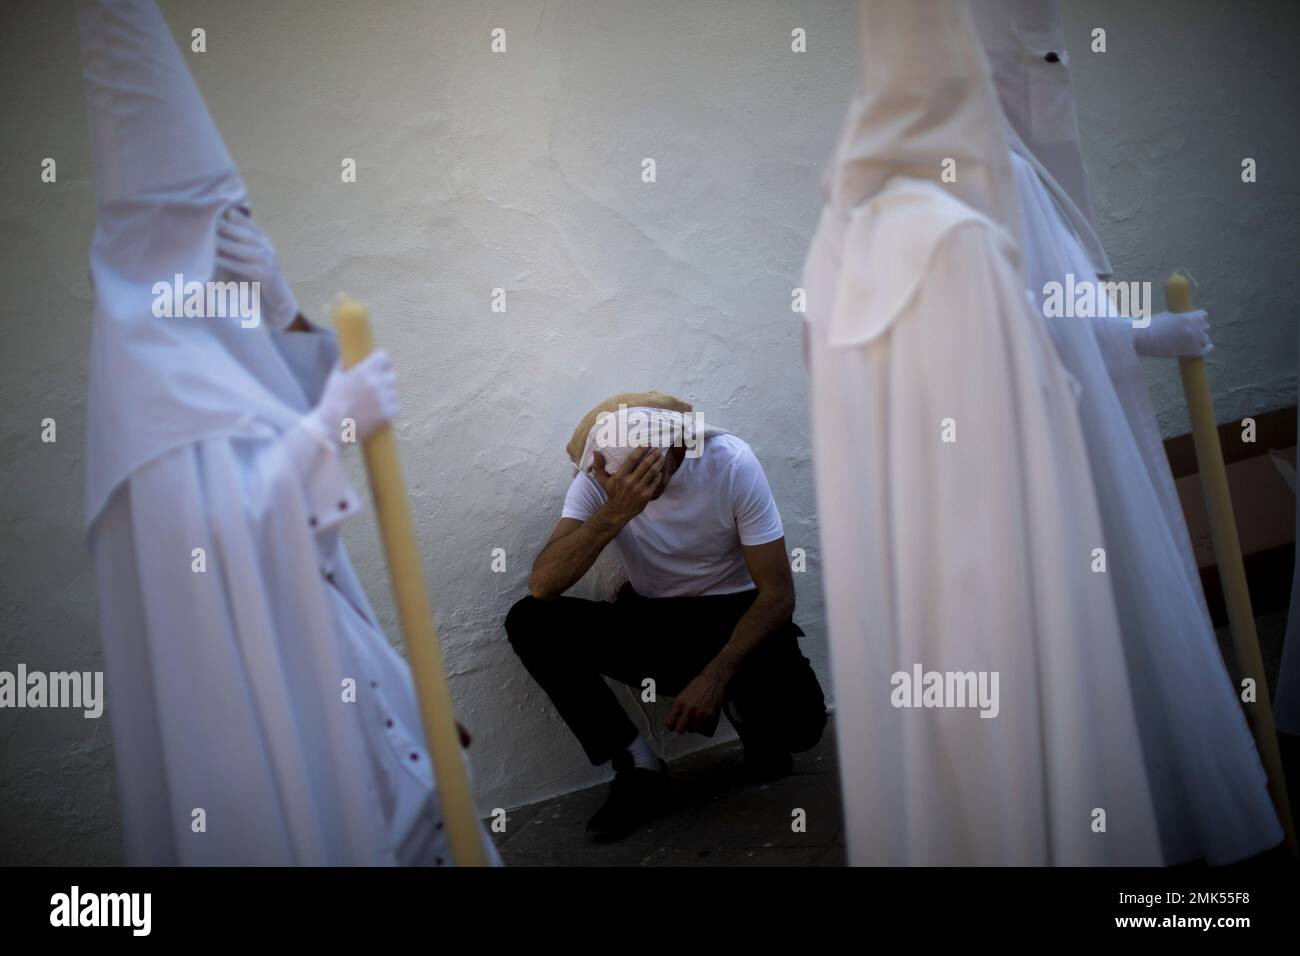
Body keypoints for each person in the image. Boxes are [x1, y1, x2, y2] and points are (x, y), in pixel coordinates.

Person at [78, 0, 498, 865]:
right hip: (280, 721)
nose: (240, 234)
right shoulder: (147, 387)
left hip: (349, 681)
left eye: (246, 214)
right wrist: (327, 427)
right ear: (169, 240)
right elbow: (220, 540)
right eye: (219, 219)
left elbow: (298, 501)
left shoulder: (213, 352)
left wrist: (281, 309)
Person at [800, 0, 1161, 865]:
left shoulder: (840, 238)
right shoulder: (953, 240)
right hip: (993, 581)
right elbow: (1000, 475)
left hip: (902, 587)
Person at [972, 0, 1282, 865]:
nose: (1055, 80)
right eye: (1039, 62)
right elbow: (1040, 321)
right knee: (1114, 603)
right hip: (1069, 443)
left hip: (1089, 426)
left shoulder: (1011, 172)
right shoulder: (994, 174)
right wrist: (1150, 335)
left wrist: (1132, 330)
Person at [505, 394, 826, 841]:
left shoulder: (730, 461)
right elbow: (543, 584)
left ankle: (745, 710)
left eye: (654, 468)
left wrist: (713, 678)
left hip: (737, 614)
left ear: (679, 443)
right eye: (627, 477)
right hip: (657, 619)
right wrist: (616, 510)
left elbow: (777, 595)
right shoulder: (600, 480)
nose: (644, 486)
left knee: (800, 729)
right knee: (530, 620)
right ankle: (638, 766)